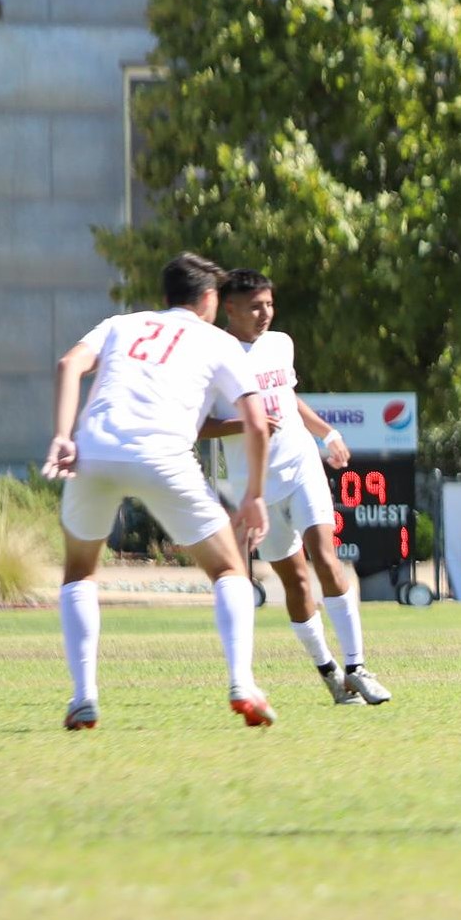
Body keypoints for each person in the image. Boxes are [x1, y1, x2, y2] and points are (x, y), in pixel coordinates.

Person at [42, 253, 277, 729]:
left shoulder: (121, 324)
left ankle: (83, 697)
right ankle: (242, 683)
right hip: (164, 458)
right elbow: (257, 422)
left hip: (95, 451)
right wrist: (253, 493)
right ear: (209, 299)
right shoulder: (218, 341)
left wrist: (64, 435)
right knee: (229, 568)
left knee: (79, 573)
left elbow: (70, 364)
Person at [201, 270, 392, 707]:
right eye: (255, 306)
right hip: (257, 489)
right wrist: (242, 424)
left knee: (327, 557)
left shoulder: (281, 342)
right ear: (229, 308)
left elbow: (287, 398)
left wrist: (327, 434)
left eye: (269, 303)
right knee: (297, 582)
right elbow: (199, 425)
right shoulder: (213, 354)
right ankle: (330, 672)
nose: (265, 313)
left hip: (302, 464)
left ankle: (358, 667)